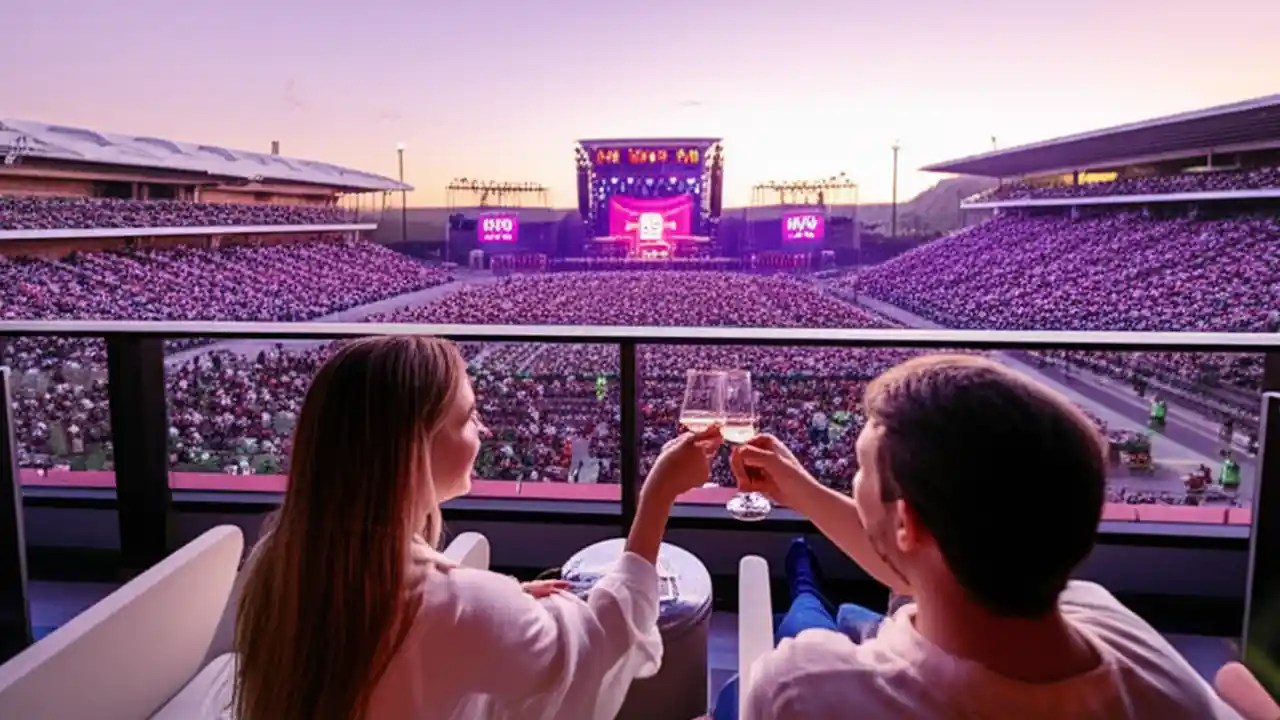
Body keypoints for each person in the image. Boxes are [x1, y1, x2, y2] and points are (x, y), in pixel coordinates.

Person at [231, 336, 724, 720]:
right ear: (413, 449)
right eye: (468, 417)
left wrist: (504, 605)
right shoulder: (456, 604)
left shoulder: (280, 561)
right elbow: (602, 644)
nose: (484, 430)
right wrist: (658, 494)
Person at [726, 355, 1239, 719]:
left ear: (907, 523)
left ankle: (804, 584)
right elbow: (939, 561)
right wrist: (802, 491)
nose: (855, 482)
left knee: (793, 632)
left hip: (825, 654)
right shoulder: (1121, 633)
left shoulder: (802, 688)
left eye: (861, 470)